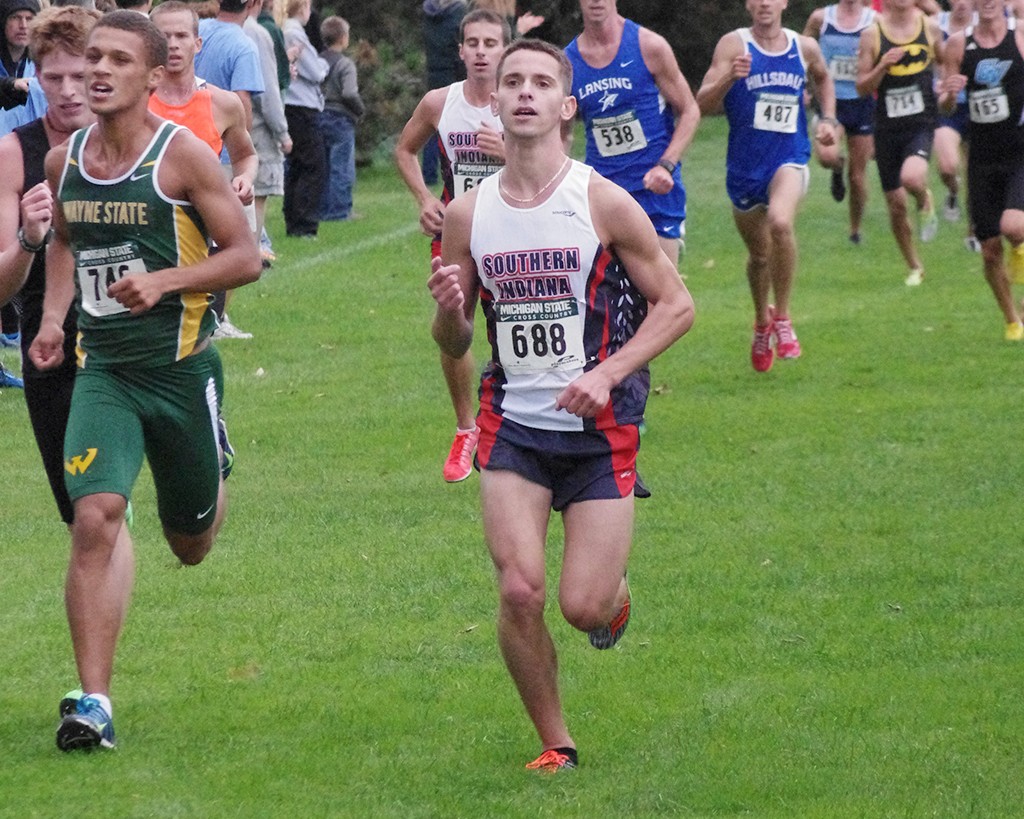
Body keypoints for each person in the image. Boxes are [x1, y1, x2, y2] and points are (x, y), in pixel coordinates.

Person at [428, 37, 693, 772]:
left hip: (599, 428)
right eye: (512, 81)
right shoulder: (467, 214)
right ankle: (557, 742)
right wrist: (449, 310)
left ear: (565, 105)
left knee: (583, 607)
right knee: (519, 588)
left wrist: (608, 373)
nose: (524, 92)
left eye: (541, 82)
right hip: (512, 425)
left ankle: (612, 592)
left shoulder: (601, 200)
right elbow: (454, 340)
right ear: (495, 99)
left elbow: (676, 305)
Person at [29, 10, 261, 751]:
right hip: (104, 373)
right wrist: (54, 320)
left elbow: (245, 256)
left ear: (154, 75)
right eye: (93, 57)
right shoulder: (64, 162)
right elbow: (64, 241)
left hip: (182, 371)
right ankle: (93, 702)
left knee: (190, 543)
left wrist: (164, 281)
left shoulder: (182, 157)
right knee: (95, 515)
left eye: (117, 60)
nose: (98, 71)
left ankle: (214, 456)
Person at [395, 8, 510, 482]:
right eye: (473, 43)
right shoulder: (439, 103)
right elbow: (405, 149)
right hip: (457, 235)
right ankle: (466, 429)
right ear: (460, 50)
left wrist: (509, 151)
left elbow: (558, 160)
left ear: (505, 49)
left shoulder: (522, 100)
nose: (482, 52)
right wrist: (425, 199)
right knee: (452, 322)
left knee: (512, 327)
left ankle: (513, 421)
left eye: (491, 43)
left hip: (514, 232)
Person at [696, 0, 837, 373]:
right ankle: (762, 322)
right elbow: (701, 104)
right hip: (745, 169)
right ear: (748, 5)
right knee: (759, 256)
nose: (764, 3)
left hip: (789, 158)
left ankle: (784, 318)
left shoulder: (803, 47)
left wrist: (828, 119)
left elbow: (823, 78)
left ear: (783, 3)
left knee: (780, 222)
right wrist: (729, 78)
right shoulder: (733, 45)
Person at [0, 5, 100, 470]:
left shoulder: (145, 144)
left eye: (79, 76)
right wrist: (29, 238)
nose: (68, 90)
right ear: (36, 77)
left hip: (136, 336)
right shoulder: (15, 152)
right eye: (54, 78)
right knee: (80, 494)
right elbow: (2, 289)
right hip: (50, 341)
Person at [565, 0, 700, 270]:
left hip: (655, 190)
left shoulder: (649, 46)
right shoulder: (567, 63)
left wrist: (666, 165)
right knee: (609, 294)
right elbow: (561, 133)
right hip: (604, 193)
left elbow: (689, 110)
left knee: (662, 292)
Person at [939, 0, 1024, 340]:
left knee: (1014, 227)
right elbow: (946, 107)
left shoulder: (1020, 36)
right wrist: (950, 94)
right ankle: (1012, 319)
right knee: (989, 249)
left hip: (1020, 150)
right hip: (982, 157)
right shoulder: (958, 43)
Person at [856, 0, 943, 286]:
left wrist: (946, 86)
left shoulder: (930, 28)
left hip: (921, 122)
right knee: (895, 205)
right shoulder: (872, 34)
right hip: (887, 128)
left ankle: (924, 198)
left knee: (912, 178)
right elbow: (862, 87)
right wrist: (882, 66)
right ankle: (914, 265)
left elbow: (945, 64)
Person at [804, 0, 876, 244]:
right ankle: (837, 167)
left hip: (862, 104)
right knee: (826, 157)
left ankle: (855, 230)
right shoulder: (821, 18)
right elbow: (801, 52)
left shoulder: (874, 22)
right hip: (830, 104)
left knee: (857, 177)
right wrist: (802, 86)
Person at [244, 0, 290, 264]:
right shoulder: (257, 33)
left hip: (218, 131)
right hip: (256, 129)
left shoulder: (209, 29)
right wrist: (282, 132)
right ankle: (250, 256)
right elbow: (267, 90)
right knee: (255, 196)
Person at [282, 0, 327, 237]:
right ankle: (304, 223)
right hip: (302, 105)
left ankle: (293, 218)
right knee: (312, 165)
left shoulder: (285, 29)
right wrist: (323, 64)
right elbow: (316, 71)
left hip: (292, 106)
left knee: (297, 165)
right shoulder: (295, 33)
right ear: (303, 7)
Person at [935, 0, 978, 248]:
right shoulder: (934, 25)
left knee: (975, 174)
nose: (962, 2)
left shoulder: (985, 27)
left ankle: (972, 234)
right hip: (948, 106)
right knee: (948, 168)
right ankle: (952, 190)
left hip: (978, 107)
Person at [318, 15, 362, 221]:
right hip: (340, 118)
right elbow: (349, 92)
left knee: (323, 167)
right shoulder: (345, 64)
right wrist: (360, 110)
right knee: (341, 167)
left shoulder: (316, 61)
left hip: (318, 116)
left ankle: (323, 209)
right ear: (344, 38)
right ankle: (340, 211)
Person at [421, 0, 467, 186]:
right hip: (453, 73)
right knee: (458, 123)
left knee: (433, 123)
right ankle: (457, 166)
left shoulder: (429, 14)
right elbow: (458, 49)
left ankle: (429, 172)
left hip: (434, 72)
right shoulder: (460, 13)